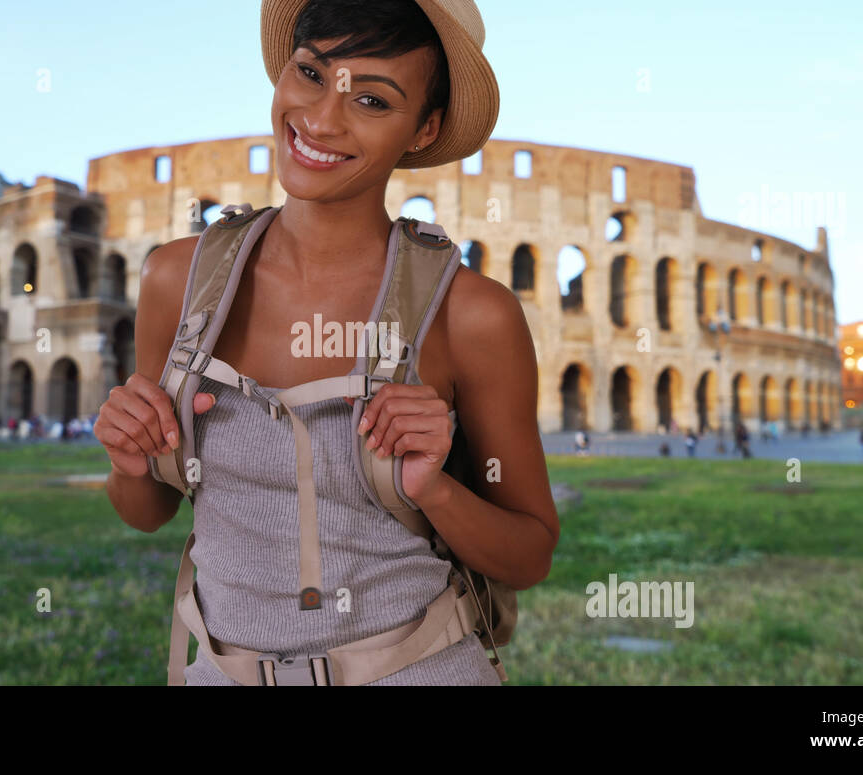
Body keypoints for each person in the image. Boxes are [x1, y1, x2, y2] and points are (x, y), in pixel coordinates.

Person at [96, 0, 555, 686]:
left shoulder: (470, 313)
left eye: (371, 99)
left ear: (423, 128)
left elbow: (529, 554)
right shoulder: (177, 280)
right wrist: (130, 459)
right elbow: (150, 511)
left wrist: (436, 491)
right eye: (312, 73)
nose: (321, 119)